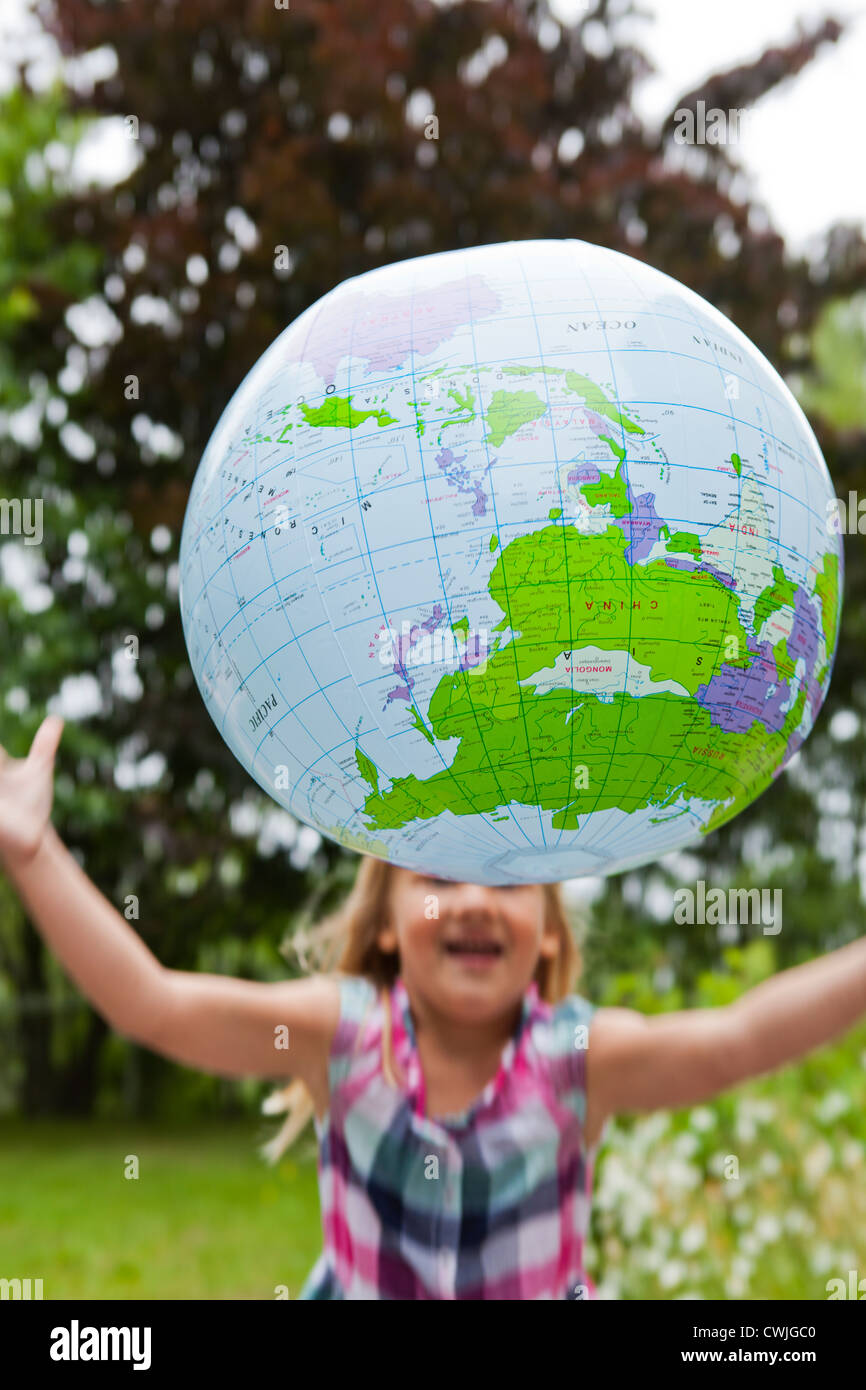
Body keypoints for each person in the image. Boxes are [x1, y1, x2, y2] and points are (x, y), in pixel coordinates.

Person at [3, 715, 866, 1299]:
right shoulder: (339, 1036)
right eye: (438, 876)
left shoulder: (578, 1060)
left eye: (509, 879)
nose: (471, 901)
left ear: (552, 935)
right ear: (384, 926)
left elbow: (741, 1038)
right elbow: (152, 1004)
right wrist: (35, 852)